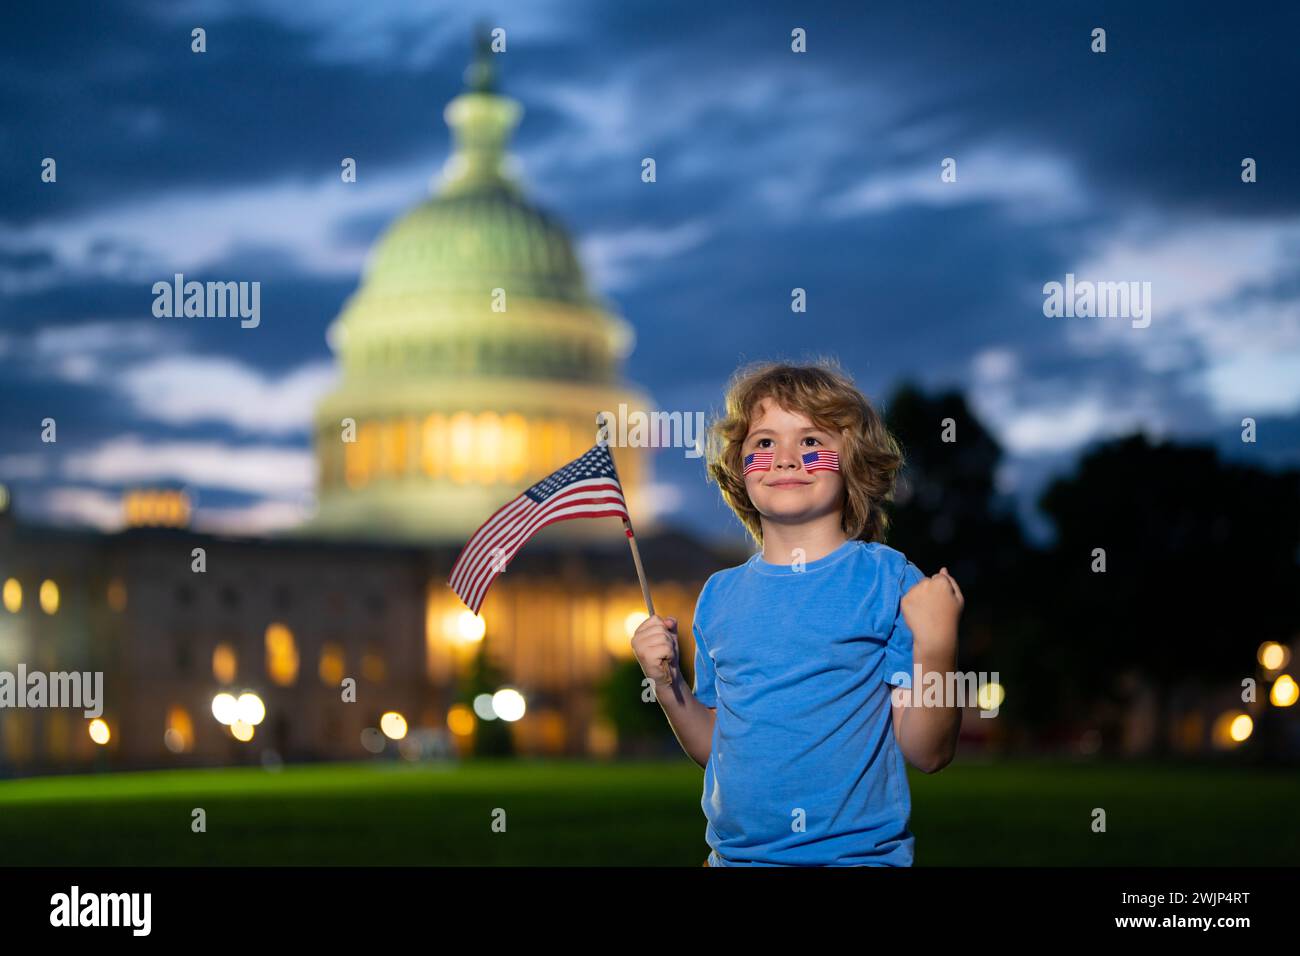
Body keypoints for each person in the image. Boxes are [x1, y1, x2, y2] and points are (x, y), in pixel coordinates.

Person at [632, 359, 964, 866]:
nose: (785, 458)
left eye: (811, 442)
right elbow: (713, 746)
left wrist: (938, 648)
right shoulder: (719, 594)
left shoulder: (888, 581)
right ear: (739, 470)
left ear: (853, 462)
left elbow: (928, 752)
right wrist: (665, 681)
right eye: (763, 443)